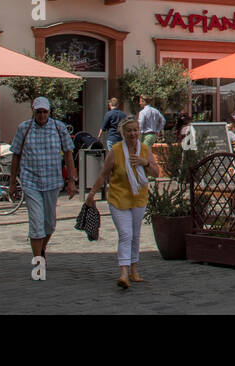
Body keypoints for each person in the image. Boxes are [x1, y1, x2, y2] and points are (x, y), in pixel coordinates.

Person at [84, 115, 159, 289]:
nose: (133, 134)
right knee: (126, 234)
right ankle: (123, 273)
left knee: (135, 234)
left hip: (138, 198)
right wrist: (92, 194)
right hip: (118, 198)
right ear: (123, 133)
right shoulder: (116, 151)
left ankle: (134, 269)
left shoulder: (145, 150)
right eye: (129, 131)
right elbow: (103, 174)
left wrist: (145, 163)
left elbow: (156, 172)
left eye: (135, 130)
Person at [9, 97, 77, 262]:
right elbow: (16, 156)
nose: (41, 115)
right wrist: (12, 183)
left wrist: (71, 181)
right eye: (38, 112)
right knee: (36, 222)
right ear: (34, 111)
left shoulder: (58, 127)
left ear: (49, 112)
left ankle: (42, 247)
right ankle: (38, 260)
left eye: (44, 112)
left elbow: (68, 154)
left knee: (49, 224)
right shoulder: (24, 128)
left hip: (52, 181)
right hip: (30, 180)